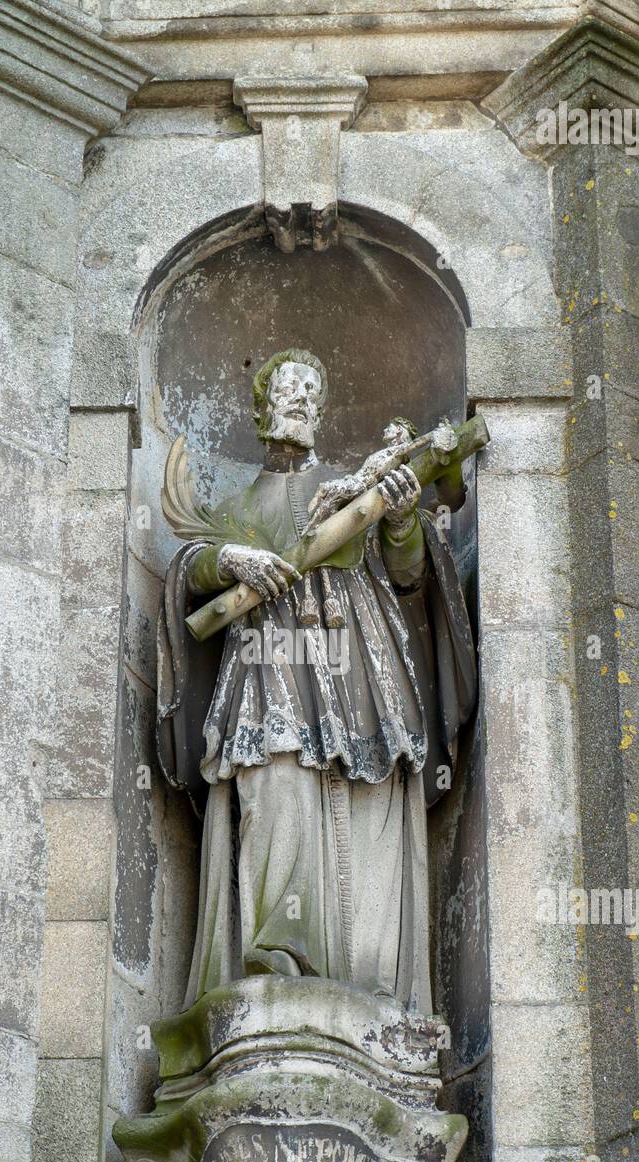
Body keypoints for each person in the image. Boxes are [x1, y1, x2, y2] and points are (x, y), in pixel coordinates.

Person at [157, 348, 476, 1012]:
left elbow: (412, 579)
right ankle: (280, 953)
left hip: (362, 678)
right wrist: (230, 559)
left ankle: (369, 990)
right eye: (287, 387)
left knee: (368, 805)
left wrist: (398, 522)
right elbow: (189, 570)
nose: (301, 397)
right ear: (261, 406)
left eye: (312, 388)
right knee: (275, 787)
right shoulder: (238, 505)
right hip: (270, 673)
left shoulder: (352, 486)